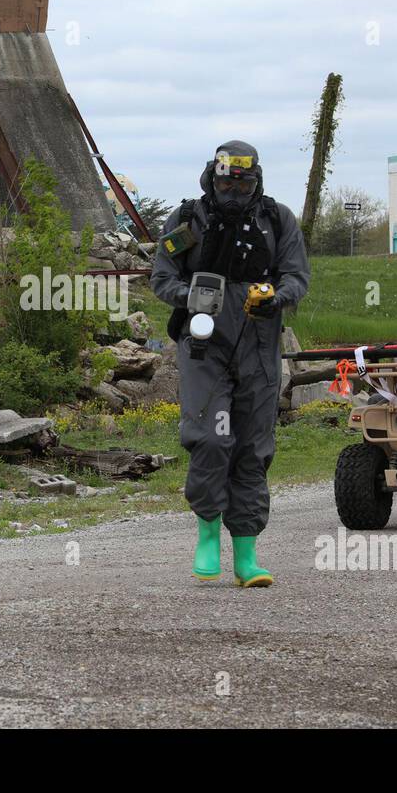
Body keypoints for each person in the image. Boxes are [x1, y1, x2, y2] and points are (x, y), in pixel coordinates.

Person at [151, 140, 309, 588]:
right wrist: (189, 296)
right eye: (226, 180)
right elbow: (162, 276)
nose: (234, 189)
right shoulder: (188, 220)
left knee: (253, 447)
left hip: (259, 344)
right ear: (212, 177)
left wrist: (277, 297)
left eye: (243, 181)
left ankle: (246, 551)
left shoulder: (277, 219)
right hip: (204, 345)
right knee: (211, 438)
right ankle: (206, 531)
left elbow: (296, 274)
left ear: (256, 179)